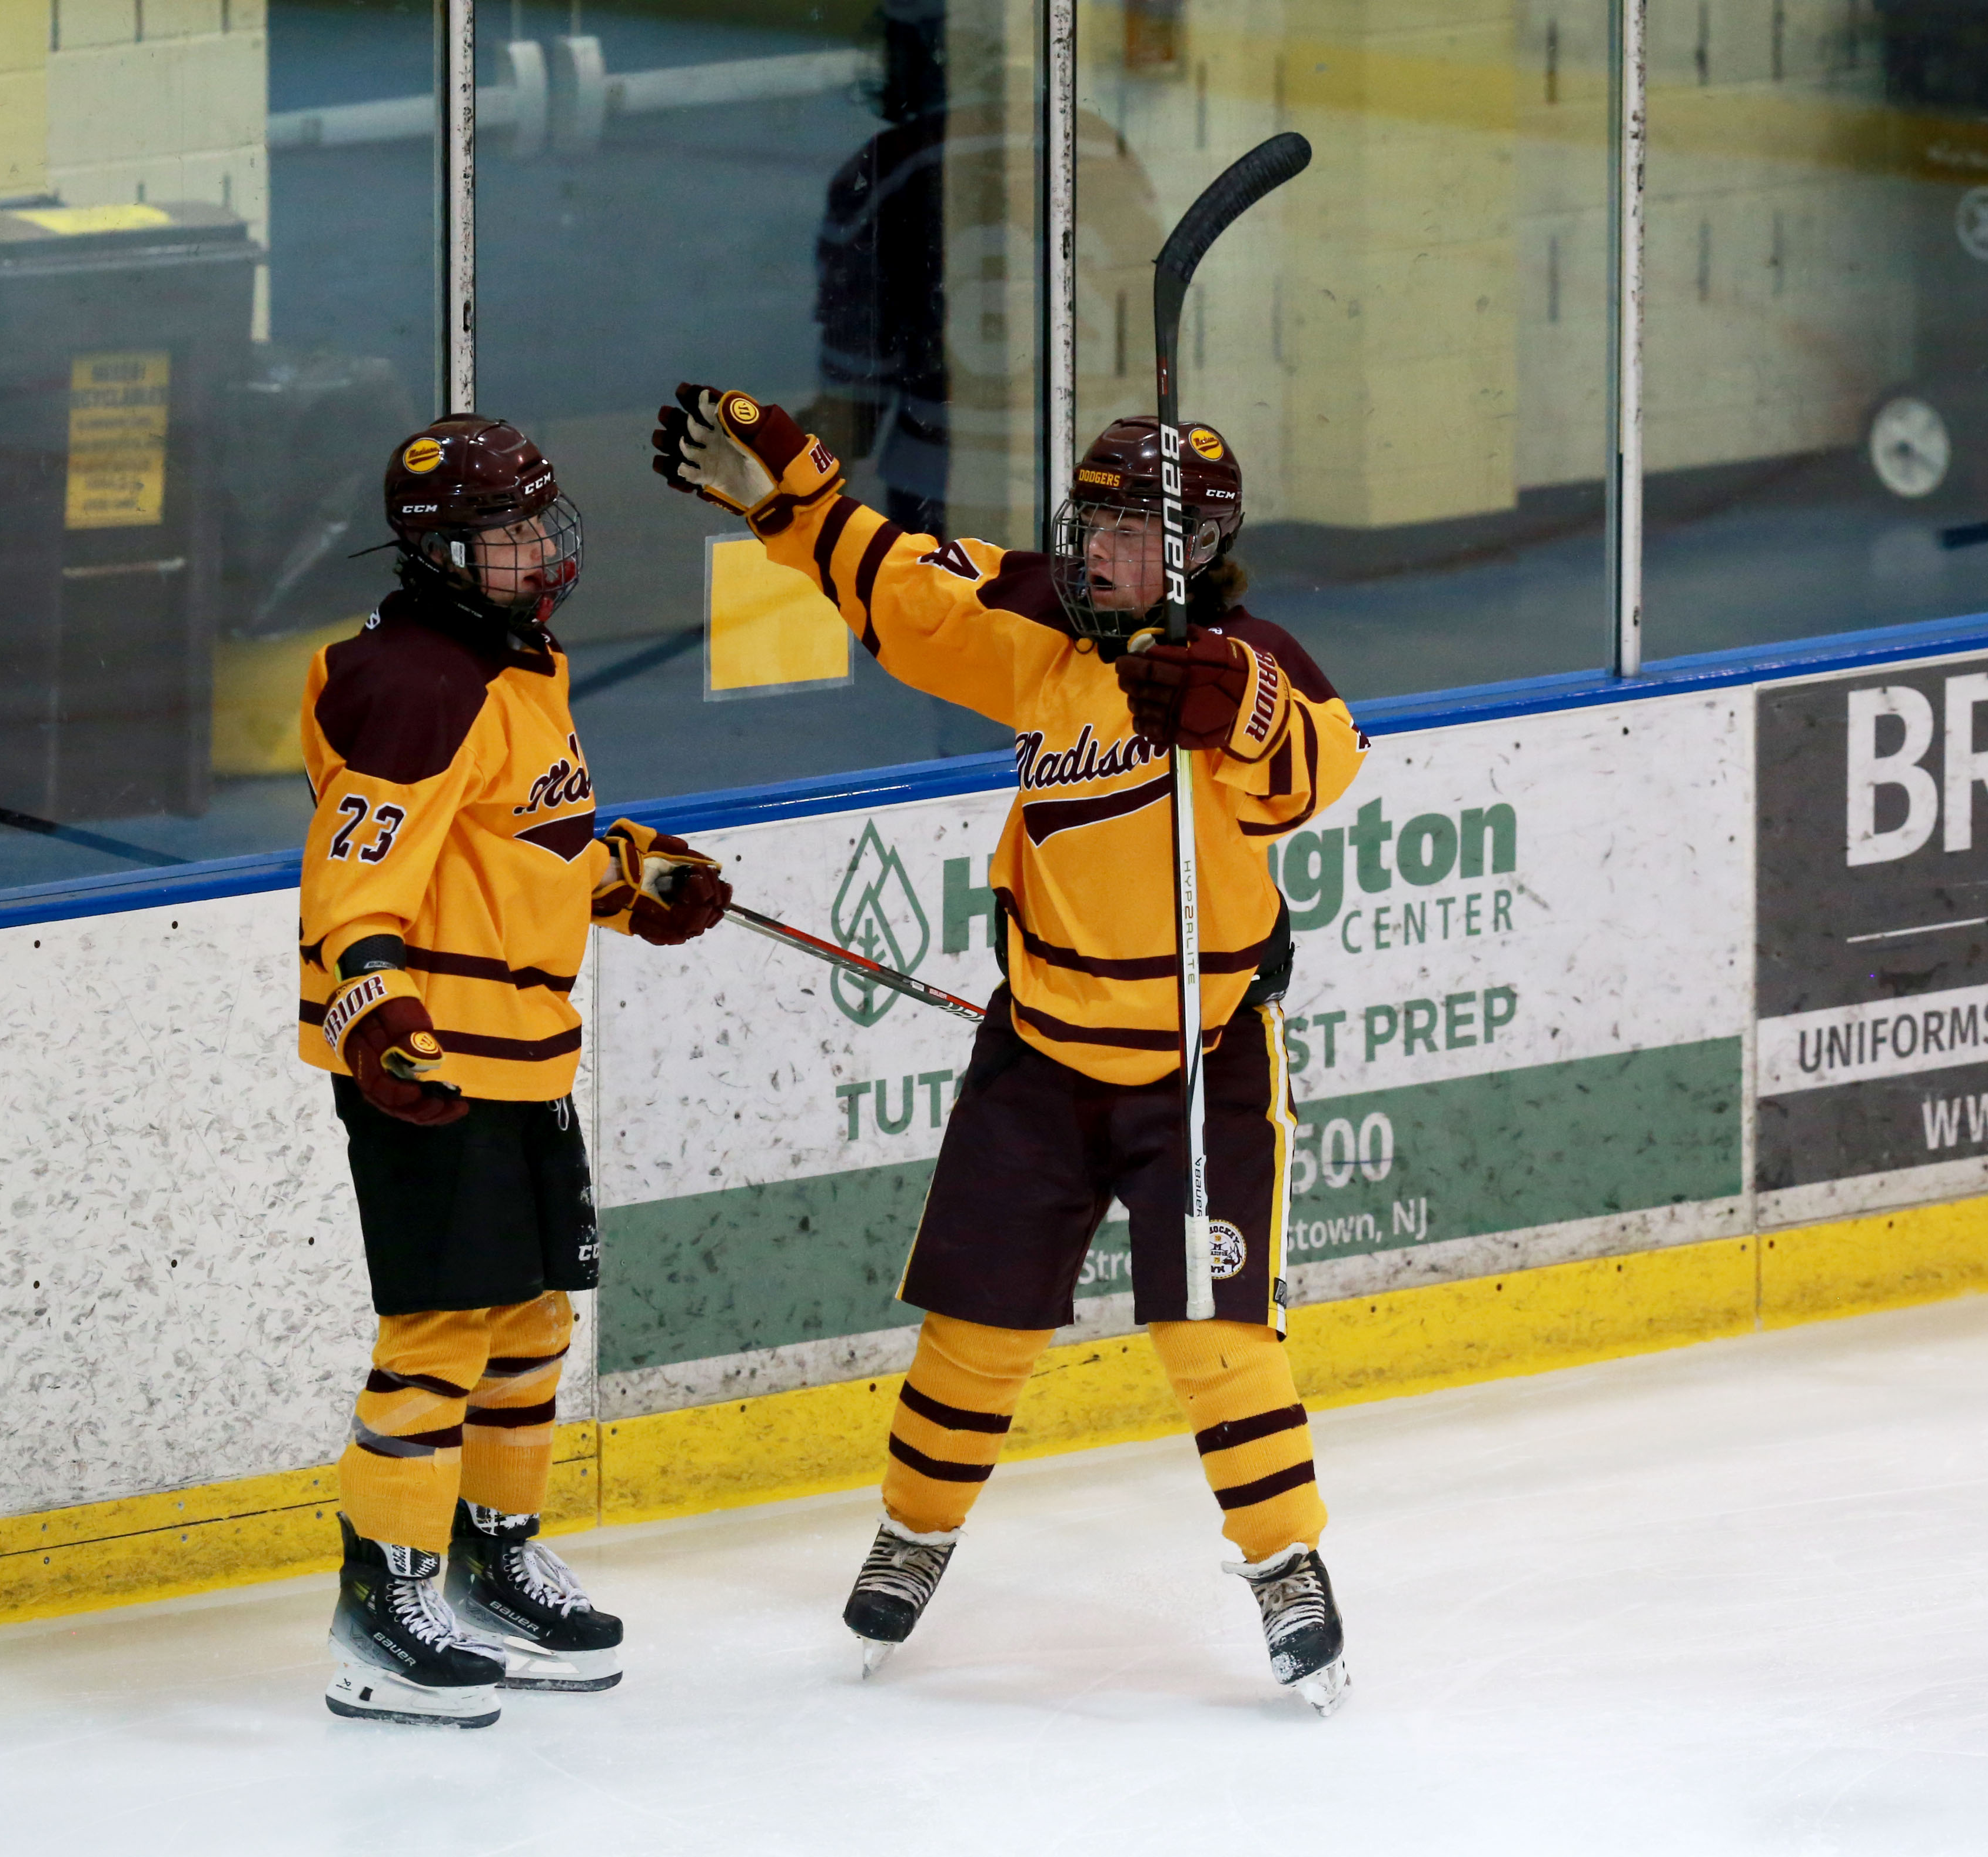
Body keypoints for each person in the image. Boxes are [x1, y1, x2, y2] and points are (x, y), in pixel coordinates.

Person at [650, 385, 1366, 1713]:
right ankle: (914, 1536)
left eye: (1127, 532)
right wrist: (798, 504)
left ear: (1197, 552)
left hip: (1201, 1065)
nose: (1095, 550)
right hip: (1038, 1058)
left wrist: (1241, 708)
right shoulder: (1046, 633)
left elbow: (1322, 766)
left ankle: (1286, 1565)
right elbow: (917, 596)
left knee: (1218, 1340)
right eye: (1087, 522)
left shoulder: (1241, 660)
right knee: (975, 1331)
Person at [299, 414, 732, 1728]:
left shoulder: (513, 664)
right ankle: (383, 1600)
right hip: (434, 1062)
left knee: (534, 1317)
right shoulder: (414, 685)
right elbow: (355, 880)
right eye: (506, 534)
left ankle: (491, 1559)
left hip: (528, 1053)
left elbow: (519, 848)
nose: (537, 550)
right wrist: (377, 1020)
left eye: (541, 523)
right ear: (438, 552)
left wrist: (626, 876)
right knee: (439, 1332)